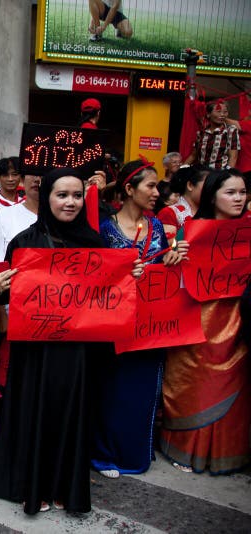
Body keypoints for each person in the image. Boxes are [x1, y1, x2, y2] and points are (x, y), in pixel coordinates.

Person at [0, 168, 142, 514]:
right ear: (47, 199)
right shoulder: (24, 242)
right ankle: (34, 486)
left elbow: (109, 293)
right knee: (35, 413)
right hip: (36, 351)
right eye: (62, 195)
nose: (70, 202)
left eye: (76, 195)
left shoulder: (94, 242)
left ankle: (62, 485)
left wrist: (127, 275)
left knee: (70, 415)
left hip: (77, 352)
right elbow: (1, 292)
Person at [93, 159, 187, 479]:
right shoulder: (105, 231)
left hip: (151, 326)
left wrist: (173, 259)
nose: (157, 192)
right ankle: (105, 454)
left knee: (144, 389)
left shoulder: (158, 228)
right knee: (112, 390)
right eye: (150, 186)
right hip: (115, 328)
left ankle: (135, 452)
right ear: (129, 189)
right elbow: (95, 280)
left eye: (158, 186)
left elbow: (166, 268)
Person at [160, 168, 249, 474]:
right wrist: (174, 259)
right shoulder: (190, 231)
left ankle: (226, 454)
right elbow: (171, 281)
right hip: (197, 322)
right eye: (231, 192)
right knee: (196, 385)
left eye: (242, 192)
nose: (238, 198)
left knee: (234, 388)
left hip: (238, 320)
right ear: (212, 196)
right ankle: (187, 450)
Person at [0, 174, 40, 261]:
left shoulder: (66, 218)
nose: (37, 179)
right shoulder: (3, 216)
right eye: (32, 174)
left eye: (42, 175)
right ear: (22, 179)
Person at [184, 101, 240, 170]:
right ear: (208, 114)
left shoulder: (230, 130)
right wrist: (181, 169)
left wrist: (228, 175)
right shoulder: (202, 132)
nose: (222, 115)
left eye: (225, 112)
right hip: (202, 173)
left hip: (220, 174)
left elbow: (233, 157)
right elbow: (193, 155)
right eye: (218, 111)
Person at [157, 165, 208, 236]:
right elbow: (165, 244)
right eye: (207, 184)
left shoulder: (212, 211)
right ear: (190, 185)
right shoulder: (170, 213)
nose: (211, 188)